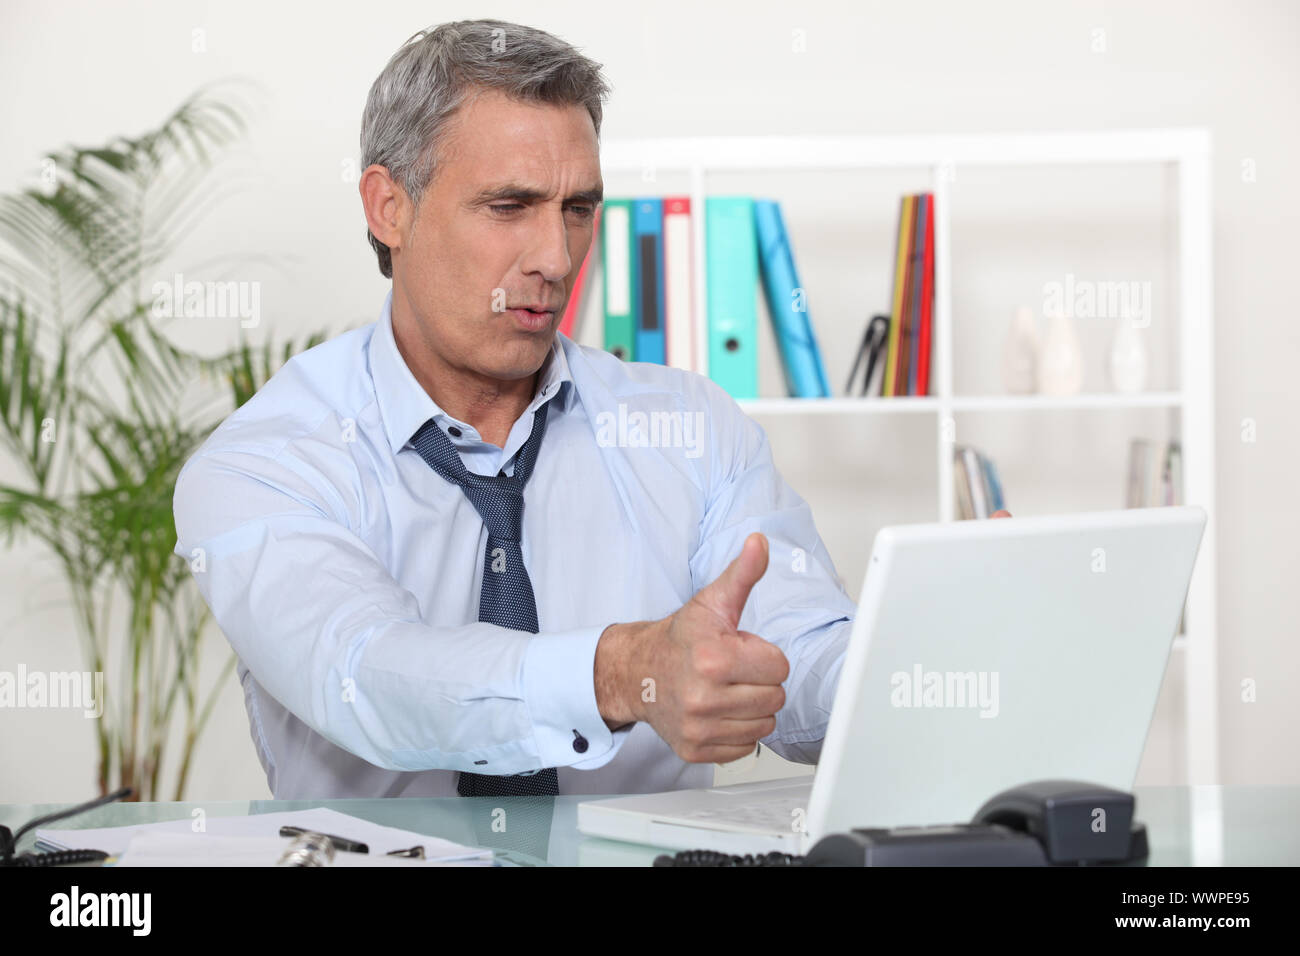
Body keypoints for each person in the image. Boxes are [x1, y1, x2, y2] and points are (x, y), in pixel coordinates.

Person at [174, 19, 867, 800]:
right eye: (510, 206)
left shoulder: (696, 432)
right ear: (388, 207)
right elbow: (368, 672)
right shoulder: (267, 460)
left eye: (578, 209)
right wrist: (619, 672)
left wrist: (921, 665)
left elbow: (802, 650)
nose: (556, 257)